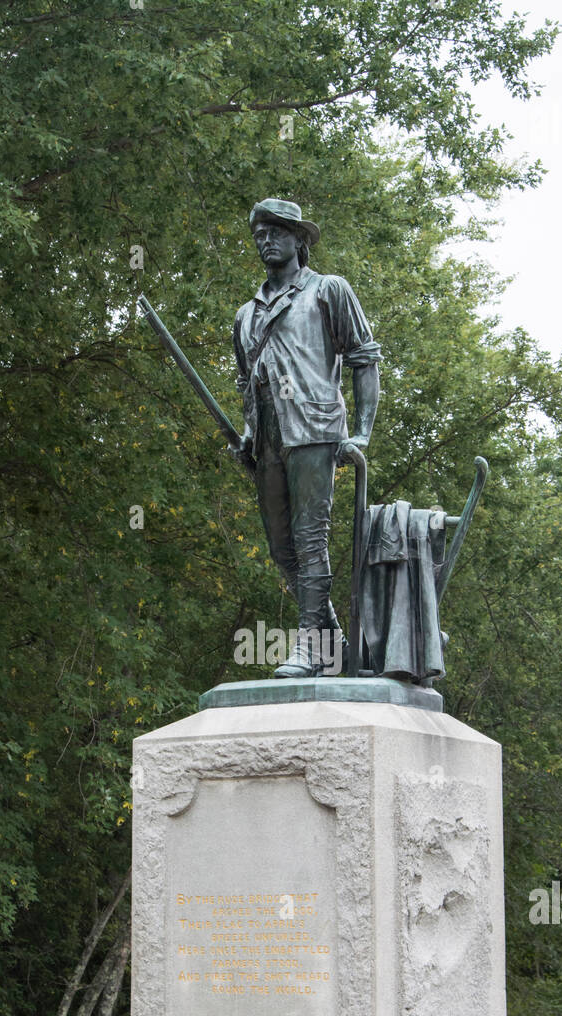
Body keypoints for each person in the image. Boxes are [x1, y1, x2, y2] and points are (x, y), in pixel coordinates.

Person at [231, 198, 381, 677]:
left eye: (277, 230)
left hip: (314, 430)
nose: (267, 240)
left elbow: (364, 358)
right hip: (270, 440)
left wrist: (360, 433)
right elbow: (249, 382)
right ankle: (333, 644)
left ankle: (310, 648)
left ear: (300, 239)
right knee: (282, 549)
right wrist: (250, 434)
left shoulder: (327, 291)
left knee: (310, 540)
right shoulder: (245, 316)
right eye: (260, 233)